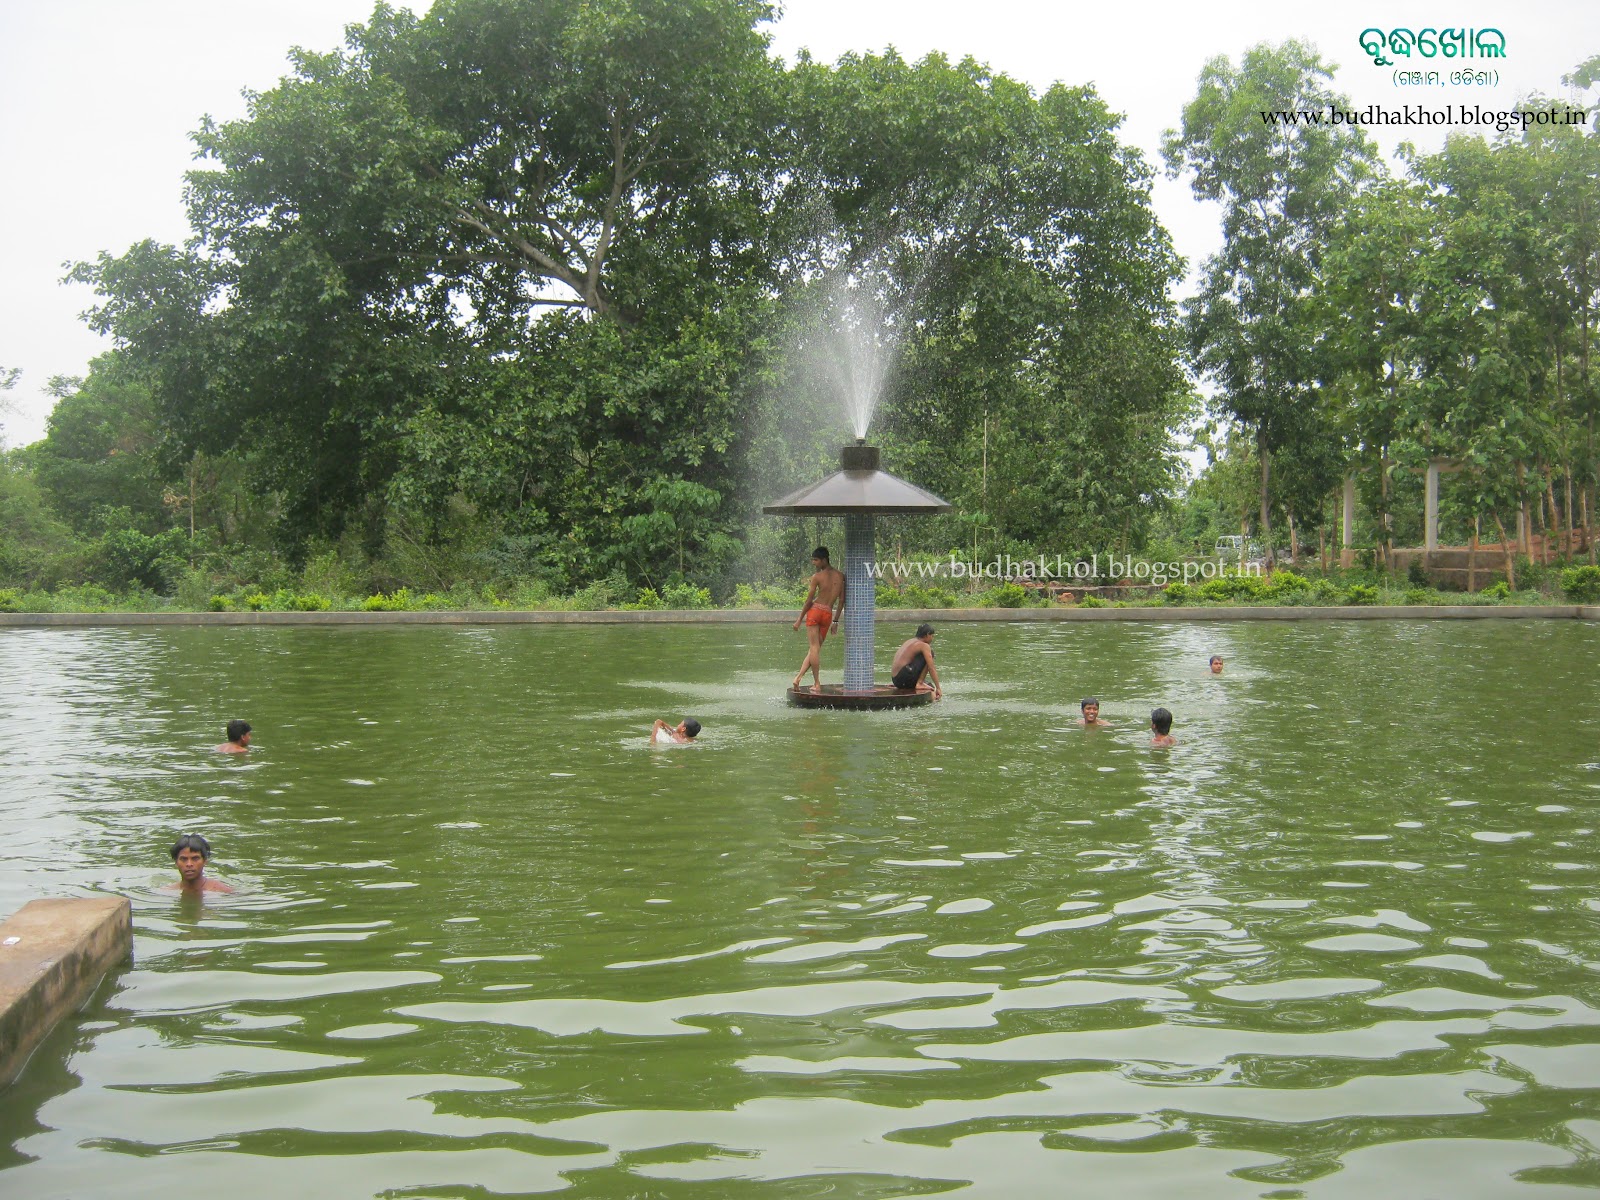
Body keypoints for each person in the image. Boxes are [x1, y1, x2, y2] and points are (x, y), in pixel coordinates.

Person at [791, 547, 846, 692]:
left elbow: (809, 601)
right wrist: (836, 621)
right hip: (827, 614)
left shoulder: (817, 577)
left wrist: (799, 619)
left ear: (824, 559)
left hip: (815, 612)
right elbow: (841, 602)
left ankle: (816, 683)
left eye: (815, 560)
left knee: (814, 649)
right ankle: (798, 677)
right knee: (814, 650)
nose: (814, 563)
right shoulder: (841, 576)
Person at [890, 624, 941, 698]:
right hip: (904, 678)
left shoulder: (910, 641)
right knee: (931, 653)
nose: (932, 639)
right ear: (927, 635)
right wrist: (938, 688)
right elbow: (931, 667)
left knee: (929, 684)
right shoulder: (924, 645)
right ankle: (920, 683)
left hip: (896, 680)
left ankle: (920, 682)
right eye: (932, 636)